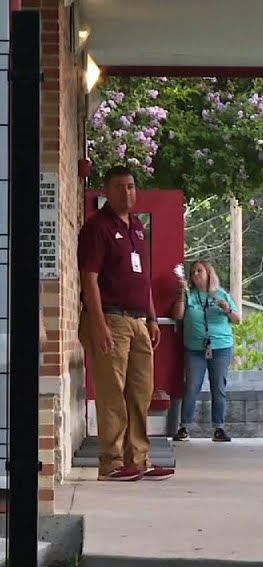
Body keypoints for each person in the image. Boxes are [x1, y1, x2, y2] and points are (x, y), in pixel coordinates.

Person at [76, 165, 174, 481]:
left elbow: (142, 278)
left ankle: (139, 459)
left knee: (140, 392)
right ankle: (111, 463)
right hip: (110, 319)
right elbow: (88, 278)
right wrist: (99, 323)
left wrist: (151, 317)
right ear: (107, 191)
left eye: (131, 186)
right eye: (119, 187)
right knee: (112, 394)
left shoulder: (137, 228)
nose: (126, 192)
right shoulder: (97, 228)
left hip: (138, 322)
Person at [171, 260, 241, 442]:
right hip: (194, 349)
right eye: (193, 272)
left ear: (209, 274)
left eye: (199, 271)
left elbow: (237, 319)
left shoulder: (221, 294)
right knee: (192, 386)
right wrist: (180, 295)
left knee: (218, 386)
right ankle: (184, 426)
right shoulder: (189, 296)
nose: (195, 275)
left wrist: (226, 309)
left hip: (220, 347)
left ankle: (219, 427)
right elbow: (178, 316)